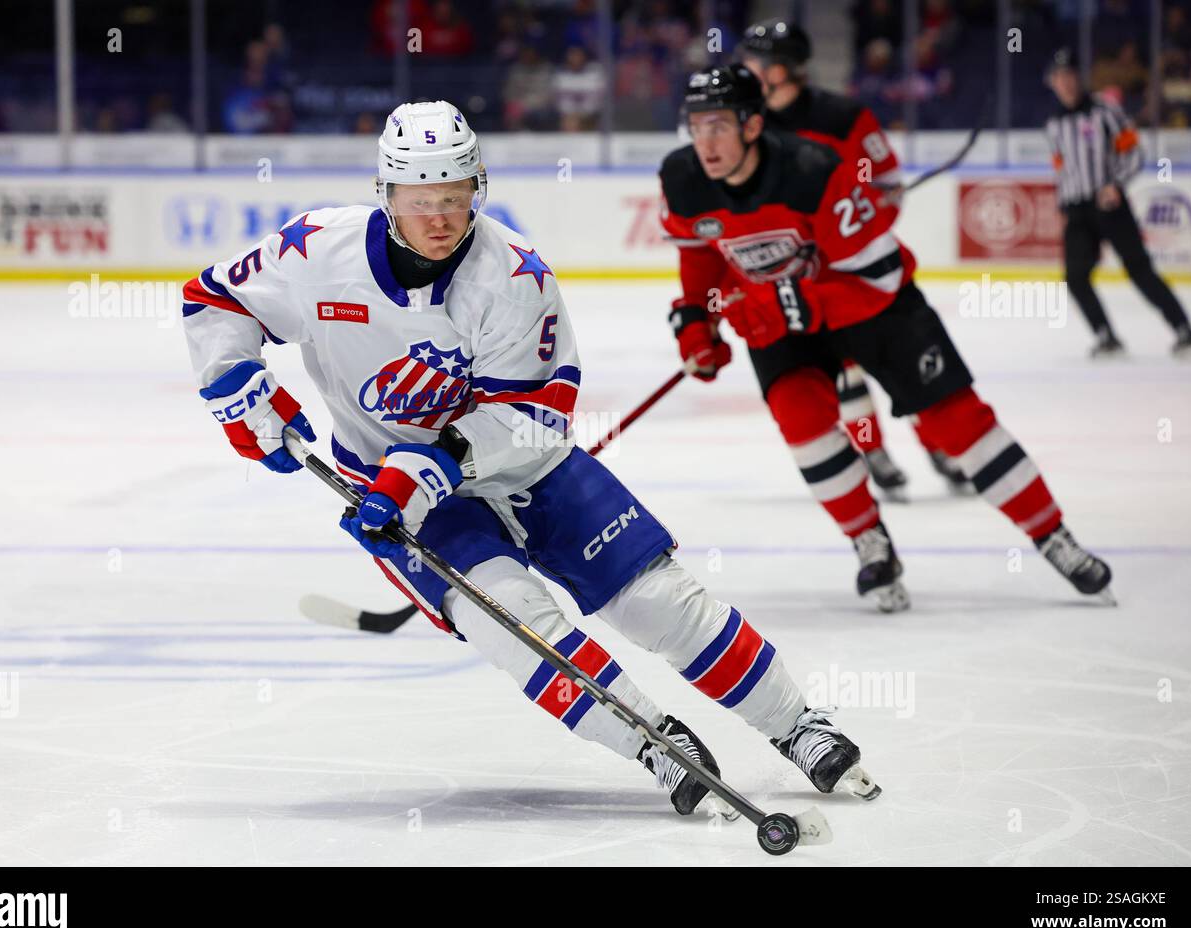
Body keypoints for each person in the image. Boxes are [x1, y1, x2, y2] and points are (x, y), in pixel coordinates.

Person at [181, 100, 881, 815]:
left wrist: (429, 467)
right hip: (399, 491)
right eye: (421, 200)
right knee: (511, 622)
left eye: (455, 198)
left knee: (658, 601)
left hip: (525, 467)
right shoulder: (315, 251)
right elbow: (215, 300)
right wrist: (239, 392)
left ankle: (799, 726)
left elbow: (533, 413)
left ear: (476, 188)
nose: (440, 219)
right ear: (386, 192)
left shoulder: (512, 272)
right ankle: (653, 742)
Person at [660, 65, 1115, 611]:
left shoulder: (812, 171)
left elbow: (880, 277)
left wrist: (795, 300)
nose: (704, 143)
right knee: (801, 422)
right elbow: (699, 253)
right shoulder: (682, 179)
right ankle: (870, 543)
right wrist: (694, 320)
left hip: (871, 305)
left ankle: (1053, 536)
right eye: (696, 127)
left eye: (718, 127)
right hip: (784, 317)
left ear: (753, 125)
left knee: (957, 421)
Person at [739, 20, 970, 498]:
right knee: (845, 370)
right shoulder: (752, 126)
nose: (745, 70)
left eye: (755, 63)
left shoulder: (841, 118)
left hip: (857, 275)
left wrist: (851, 227)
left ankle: (939, 444)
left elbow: (885, 186)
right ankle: (875, 450)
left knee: (901, 365)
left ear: (782, 70)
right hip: (803, 282)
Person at [1045, 47, 1191, 359]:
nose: (1066, 83)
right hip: (1076, 209)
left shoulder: (1106, 111)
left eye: (1071, 76)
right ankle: (1106, 337)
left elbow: (1133, 153)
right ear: (1052, 82)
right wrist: (1063, 206)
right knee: (1075, 277)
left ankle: (1185, 331)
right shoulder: (1053, 125)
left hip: (1109, 204)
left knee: (1139, 270)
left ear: (1080, 78)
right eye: (1060, 77)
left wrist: (1115, 185)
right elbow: (1062, 168)